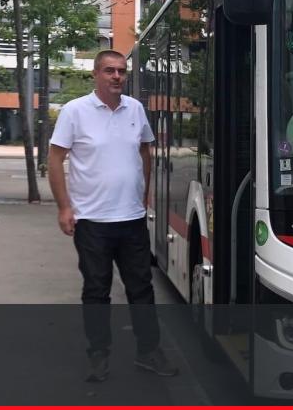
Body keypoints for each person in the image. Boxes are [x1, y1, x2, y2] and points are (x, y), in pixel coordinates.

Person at [48, 50, 178, 383]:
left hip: (132, 219)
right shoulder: (74, 111)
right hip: (91, 222)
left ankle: (148, 352)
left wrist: (144, 192)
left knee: (142, 289)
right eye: (110, 71)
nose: (117, 76)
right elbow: (55, 159)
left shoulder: (135, 109)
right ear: (95, 74)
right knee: (96, 290)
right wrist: (64, 207)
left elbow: (145, 150)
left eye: (121, 71)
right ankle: (98, 355)